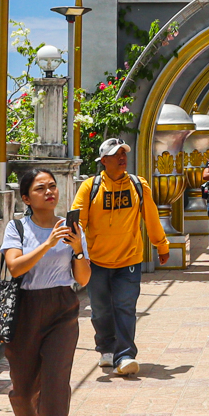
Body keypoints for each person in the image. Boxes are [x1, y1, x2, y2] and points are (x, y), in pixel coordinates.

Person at [1, 168, 90, 416]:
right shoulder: (17, 229)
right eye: (41, 188)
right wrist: (48, 244)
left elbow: (83, 278)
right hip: (25, 310)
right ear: (26, 198)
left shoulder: (72, 228)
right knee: (24, 391)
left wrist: (76, 248)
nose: (49, 192)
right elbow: (15, 267)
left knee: (54, 391)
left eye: (52, 186)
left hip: (61, 309)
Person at [70, 137, 169, 377]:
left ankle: (125, 355)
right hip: (97, 261)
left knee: (125, 307)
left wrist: (161, 244)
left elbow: (151, 216)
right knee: (101, 309)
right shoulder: (90, 187)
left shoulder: (138, 185)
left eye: (123, 153)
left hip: (129, 260)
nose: (122, 157)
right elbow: (77, 223)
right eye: (115, 154)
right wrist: (77, 254)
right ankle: (106, 348)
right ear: (104, 160)